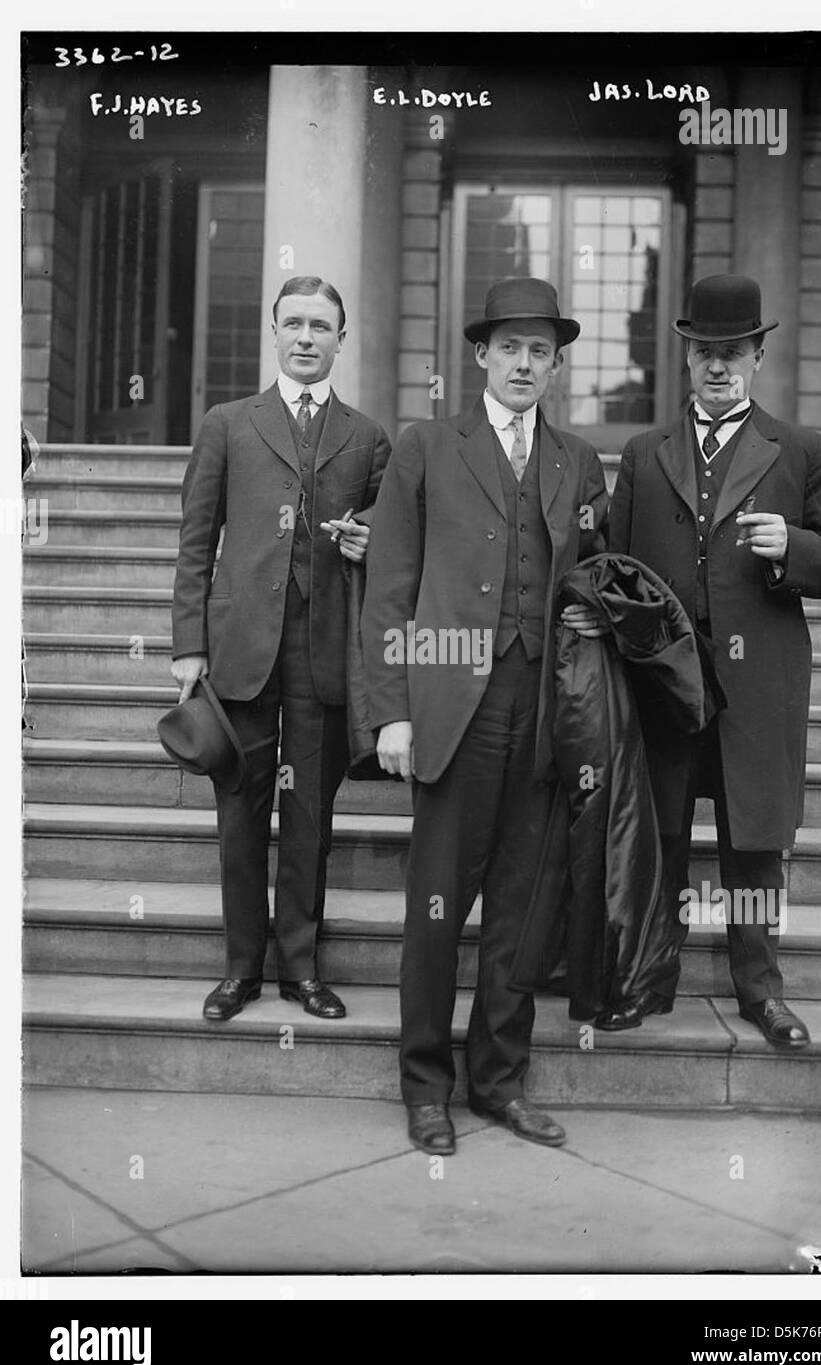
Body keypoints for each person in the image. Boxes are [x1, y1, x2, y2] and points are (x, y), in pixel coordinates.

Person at [362, 277, 609, 1155]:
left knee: (523, 908)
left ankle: (499, 1081)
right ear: (481, 355)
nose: (524, 363)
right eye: (510, 347)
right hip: (449, 704)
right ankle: (424, 1085)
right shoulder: (428, 445)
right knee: (436, 906)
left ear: (555, 365)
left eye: (541, 351)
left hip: (544, 712)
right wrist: (391, 713)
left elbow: (595, 573)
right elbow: (388, 587)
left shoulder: (577, 461)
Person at [608, 273, 821, 1046]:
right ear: (686, 357)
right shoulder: (645, 454)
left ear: (757, 355)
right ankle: (655, 975)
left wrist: (797, 551)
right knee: (664, 834)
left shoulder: (804, 450)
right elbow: (616, 563)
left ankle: (761, 991)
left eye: (733, 352)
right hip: (667, 678)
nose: (718, 366)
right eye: (705, 352)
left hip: (759, 680)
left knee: (753, 842)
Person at [171, 275, 391, 1022]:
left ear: (340, 339)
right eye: (293, 323)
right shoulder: (229, 424)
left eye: (320, 326)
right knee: (240, 816)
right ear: (274, 332)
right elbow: (195, 543)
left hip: (323, 651)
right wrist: (186, 648)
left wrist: (369, 541)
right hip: (239, 651)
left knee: (309, 819)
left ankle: (300, 967)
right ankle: (241, 969)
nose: (305, 338)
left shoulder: (366, 437)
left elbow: (394, 540)